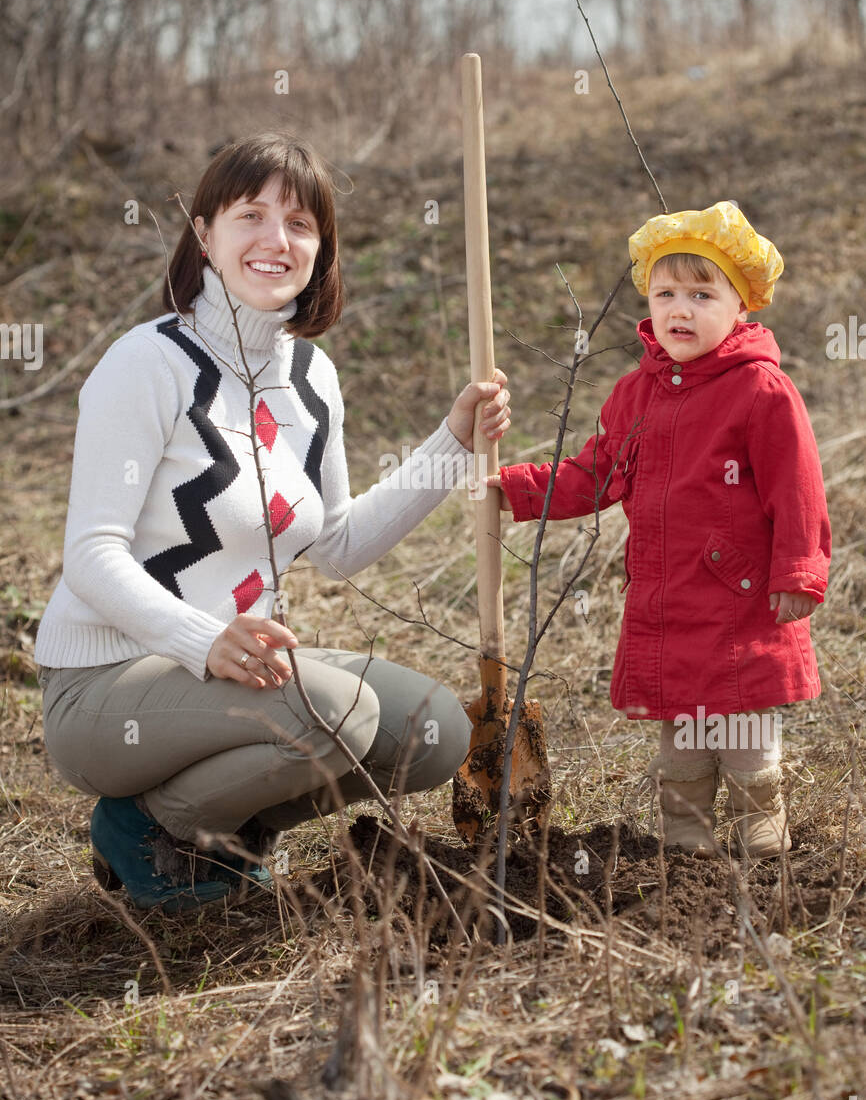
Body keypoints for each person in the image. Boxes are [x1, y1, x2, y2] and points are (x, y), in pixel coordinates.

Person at [34, 132, 512, 913]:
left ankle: (230, 826)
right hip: (105, 686)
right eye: (249, 215)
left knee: (433, 732)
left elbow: (340, 544)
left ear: (321, 248)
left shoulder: (311, 376)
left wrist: (453, 443)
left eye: (299, 222)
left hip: (224, 674)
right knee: (341, 716)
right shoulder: (146, 363)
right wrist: (203, 637)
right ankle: (150, 828)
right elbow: (92, 554)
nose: (274, 240)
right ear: (203, 234)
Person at [487, 201, 831, 860]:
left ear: (742, 305)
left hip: (744, 594)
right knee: (684, 728)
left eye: (703, 294)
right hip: (670, 595)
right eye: (667, 292)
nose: (682, 308)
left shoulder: (761, 390)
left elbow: (799, 488)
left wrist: (800, 572)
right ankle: (687, 839)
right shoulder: (634, 395)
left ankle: (762, 825)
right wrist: (519, 488)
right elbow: (595, 474)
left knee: (743, 719)